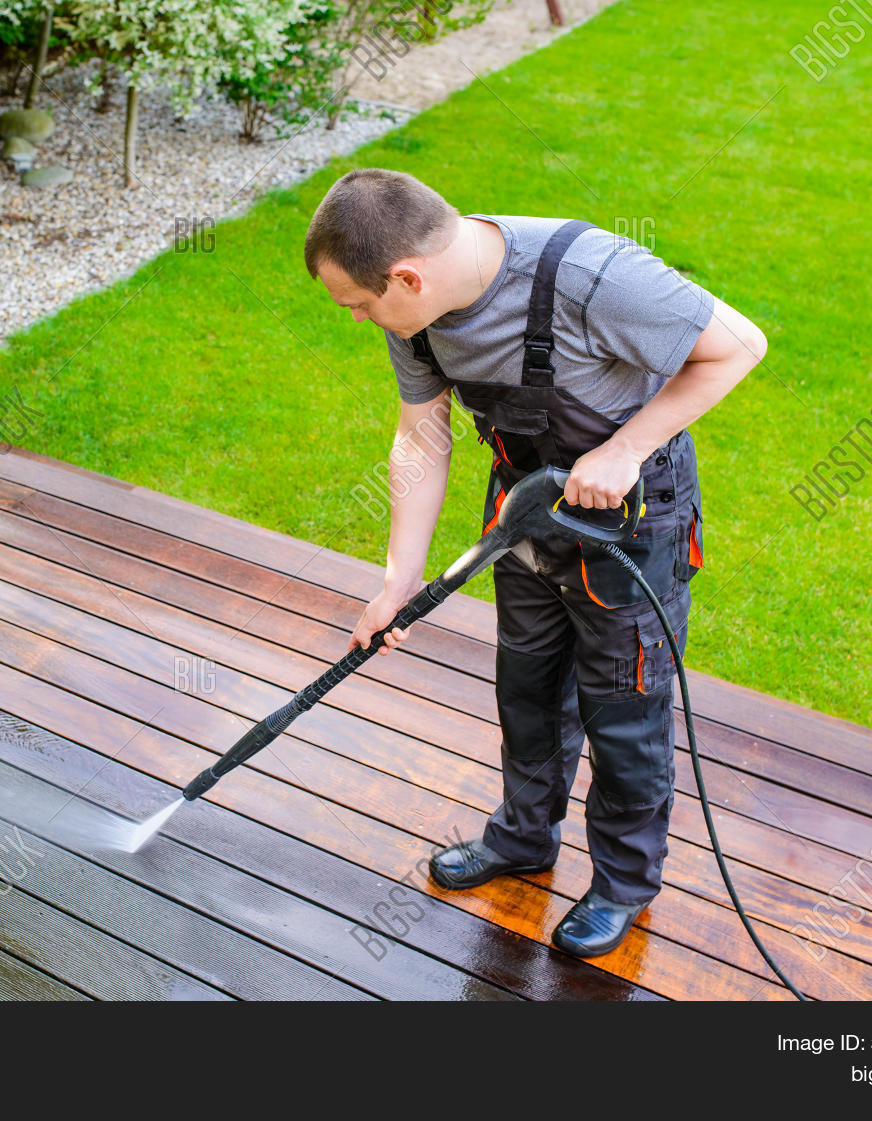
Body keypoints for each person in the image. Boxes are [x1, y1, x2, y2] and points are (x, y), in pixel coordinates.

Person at [303, 168, 767, 957]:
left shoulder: (592, 275)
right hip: (524, 507)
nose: (359, 317)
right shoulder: (413, 311)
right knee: (527, 686)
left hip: (630, 518)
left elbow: (738, 345)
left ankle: (623, 881)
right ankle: (523, 835)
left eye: (359, 303)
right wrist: (397, 580)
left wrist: (624, 449)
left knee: (624, 711)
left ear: (406, 276)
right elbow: (422, 434)